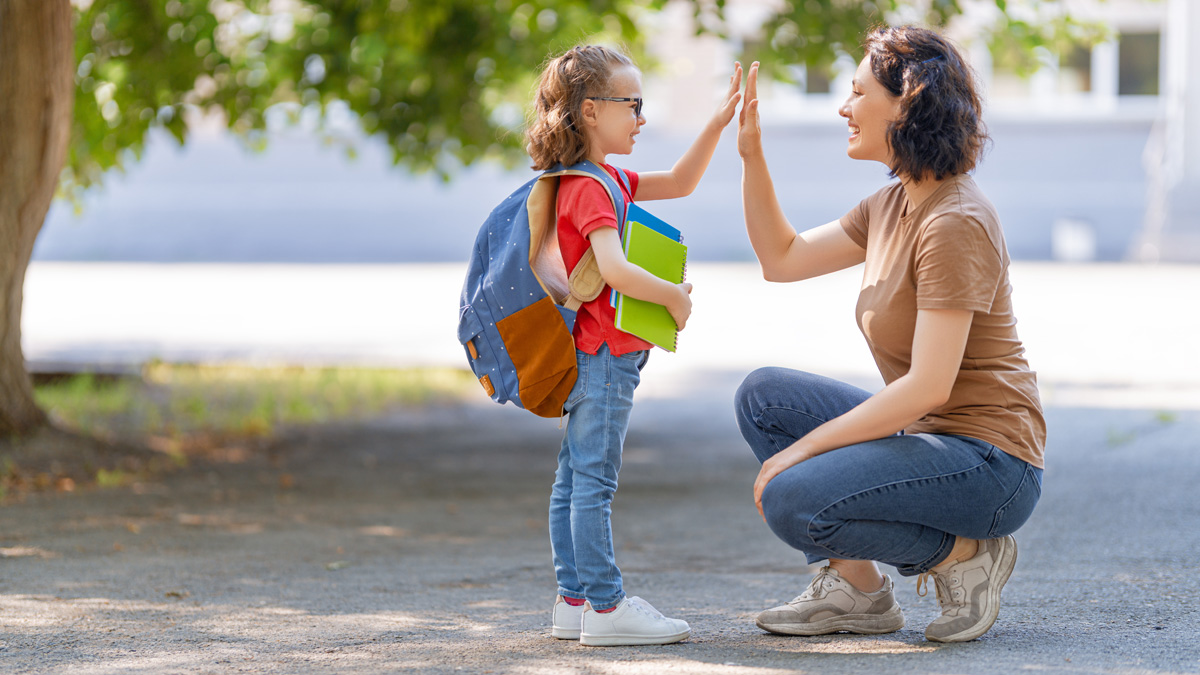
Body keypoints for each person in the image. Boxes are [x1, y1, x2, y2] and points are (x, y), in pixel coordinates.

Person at [732, 25, 1046, 643]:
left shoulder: (955, 220)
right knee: (764, 397)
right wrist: (751, 154)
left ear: (908, 100)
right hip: (933, 439)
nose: (843, 108)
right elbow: (783, 258)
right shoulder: (891, 204)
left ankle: (964, 554)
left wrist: (800, 452)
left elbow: (928, 386)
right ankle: (859, 591)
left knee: (794, 498)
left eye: (857, 92)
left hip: (991, 464)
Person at [526, 45, 742, 646]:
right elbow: (614, 269)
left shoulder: (598, 179)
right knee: (593, 482)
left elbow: (679, 181)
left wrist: (718, 122)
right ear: (591, 111)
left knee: (572, 478)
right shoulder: (592, 188)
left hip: (587, 355)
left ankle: (574, 601)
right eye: (633, 105)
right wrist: (674, 297)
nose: (641, 118)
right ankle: (606, 605)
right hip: (603, 356)